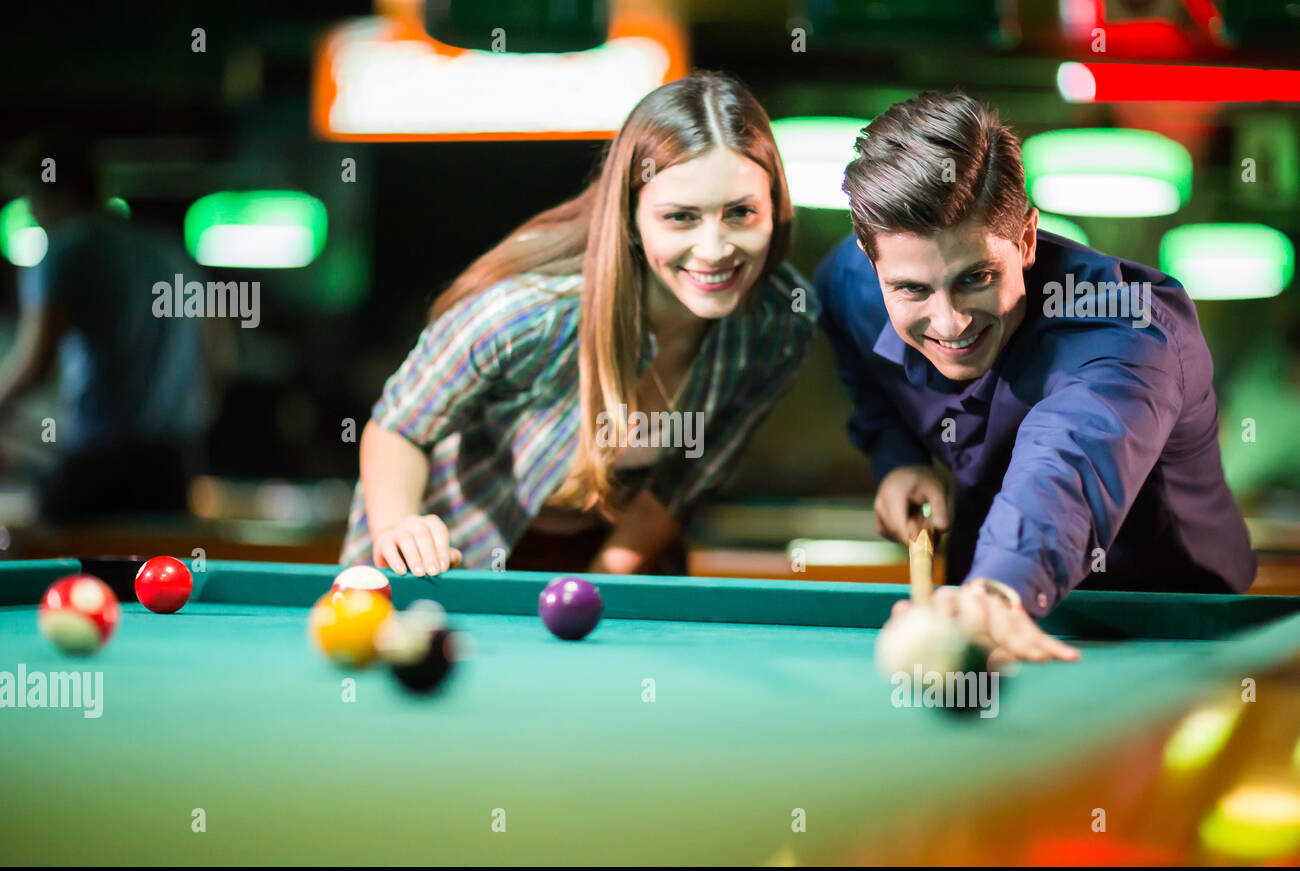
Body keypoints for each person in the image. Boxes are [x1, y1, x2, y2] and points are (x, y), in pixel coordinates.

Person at [815, 91, 1255, 661]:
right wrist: (897, 458)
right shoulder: (854, 282)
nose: (950, 322)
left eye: (976, 277)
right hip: (981, 601)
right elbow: (854, 340)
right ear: (872, 262)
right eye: (912, 289)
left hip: (1172, 628)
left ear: (1025, 239)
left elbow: (1066, 466)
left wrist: (999, 589)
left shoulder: (1127, 330)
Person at [340, 72, 817, 576]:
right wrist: (398, 525)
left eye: (741, 212)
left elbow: (679, 487)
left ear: (775, 207)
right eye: (680, 217)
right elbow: (400, 427)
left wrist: (600, 581)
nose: (715, 249)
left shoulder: (779, 324)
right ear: (631, 217)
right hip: (461, 555)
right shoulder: (526, 312)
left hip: (622, 554)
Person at [0, 132, 210, 520]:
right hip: (174, 468)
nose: (32, 213)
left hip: (98, 473)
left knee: (58, 574)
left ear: (53, 193)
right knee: (155, 576)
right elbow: (218, 356)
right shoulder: (170, 253)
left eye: (31, 198)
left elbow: (35, 364)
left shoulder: (66, 250)